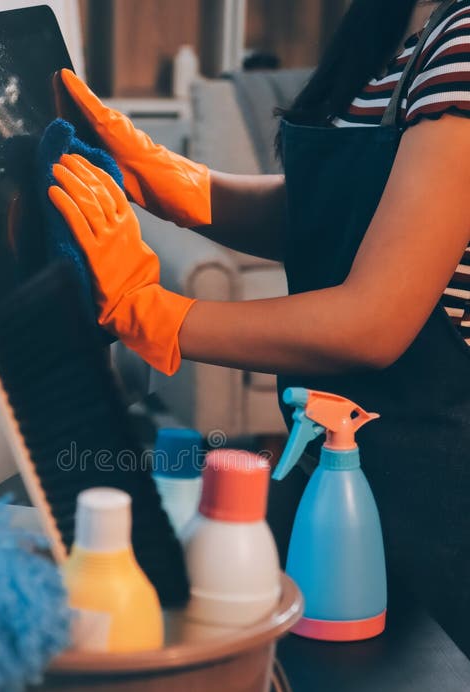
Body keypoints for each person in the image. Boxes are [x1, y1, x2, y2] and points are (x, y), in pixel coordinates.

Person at [48, 1, 470, 648]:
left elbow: (374, 320)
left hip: (440, 503)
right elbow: (350, 215)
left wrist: (153, 312)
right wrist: (182, 184)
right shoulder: (396, 20)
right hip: (341, 470)